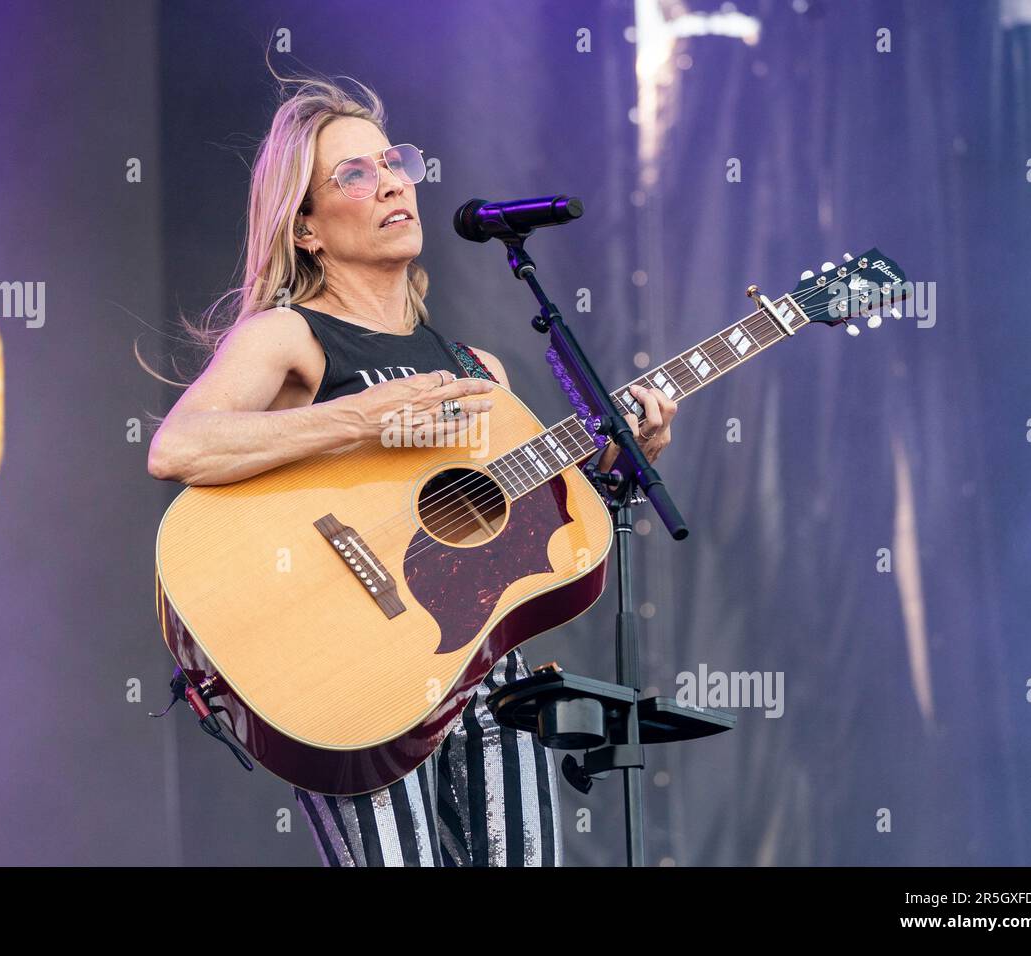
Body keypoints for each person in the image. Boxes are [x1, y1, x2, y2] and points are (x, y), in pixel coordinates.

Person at [147, 71, 678, 866]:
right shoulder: (287, 337)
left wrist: (614, 455)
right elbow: (178, 448)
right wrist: (357, 417)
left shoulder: (476, 371)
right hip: (359, 679)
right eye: (354, 173)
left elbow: (521, 520)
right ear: (306, 230)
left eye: (394, 161)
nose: (392, 180)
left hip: (486, 677)